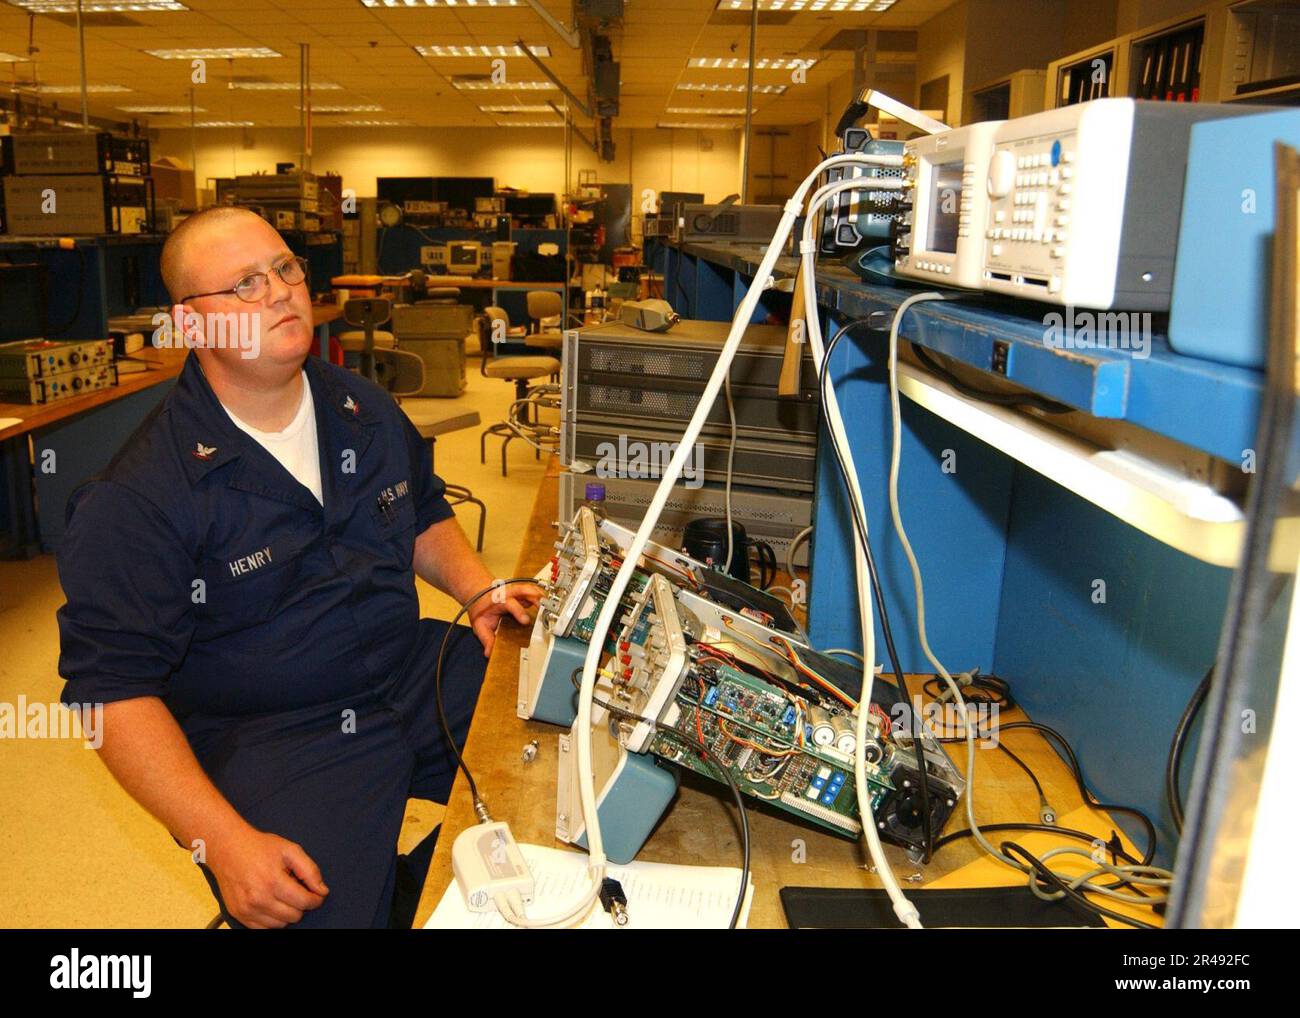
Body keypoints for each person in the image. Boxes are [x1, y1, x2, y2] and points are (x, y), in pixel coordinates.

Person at [55, 206, 540, 928]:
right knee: (313, 906)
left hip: (409, 670)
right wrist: (221, 843)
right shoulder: (139, 495)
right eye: (246, 284)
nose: (281, 290)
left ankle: (427, 887)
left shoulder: (361, 405)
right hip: (273, 730)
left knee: (557, 756)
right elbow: (110, 695)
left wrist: (477, 589)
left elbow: (421, 511)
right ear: (191, 325)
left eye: (285, 268)